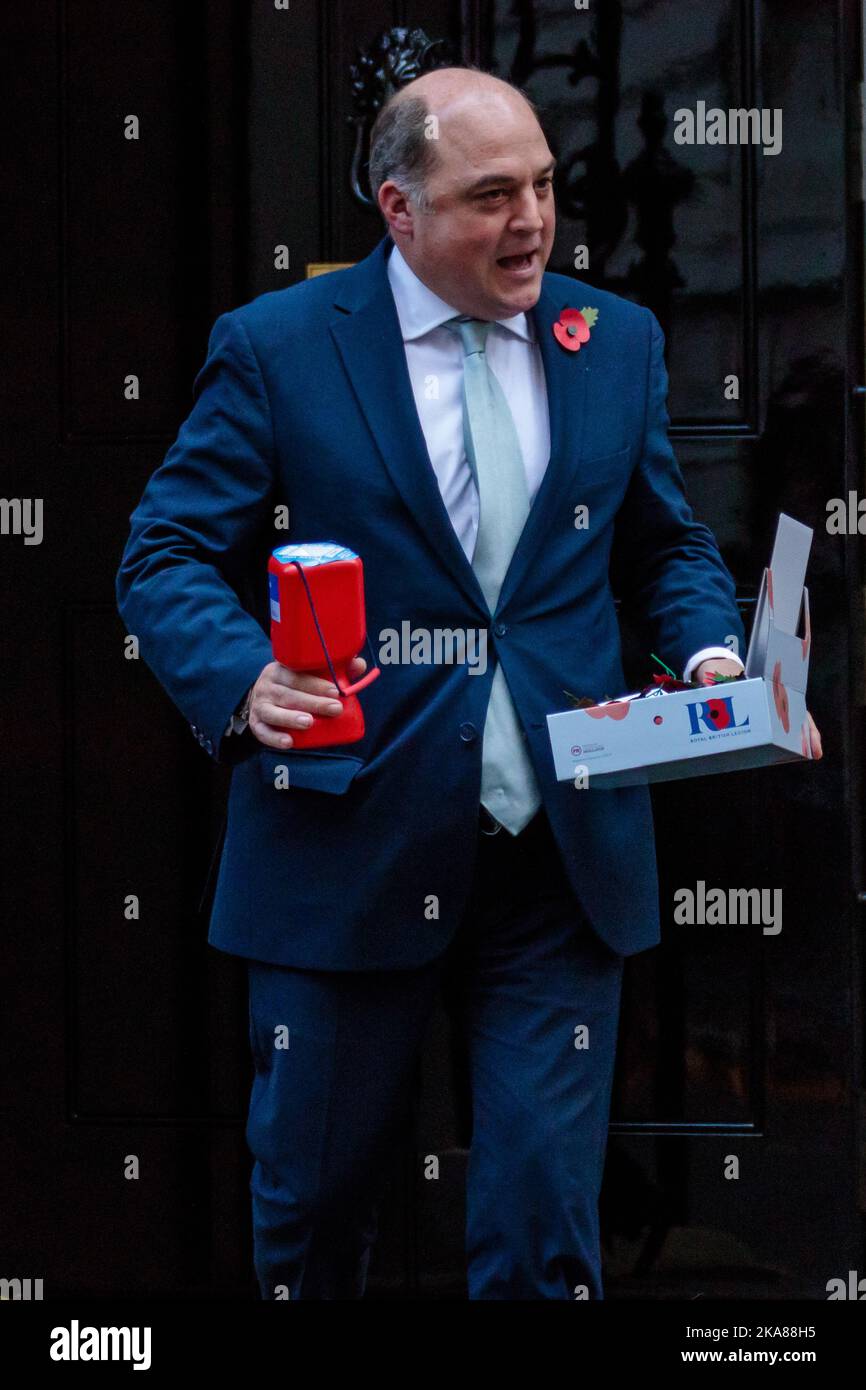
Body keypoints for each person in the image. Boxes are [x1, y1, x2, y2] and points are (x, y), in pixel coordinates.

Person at [116, 66, 822, 1300]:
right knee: (315, 1218)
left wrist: (710, 663)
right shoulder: (279, 350)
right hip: (344, 844)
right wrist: (240, 678)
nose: (533, 221)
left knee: (542, 1219)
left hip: (556, 855)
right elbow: (164, 550)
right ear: (397, 209)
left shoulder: (615, 341)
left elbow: (660, 546)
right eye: (491, 194)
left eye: (543, 184)